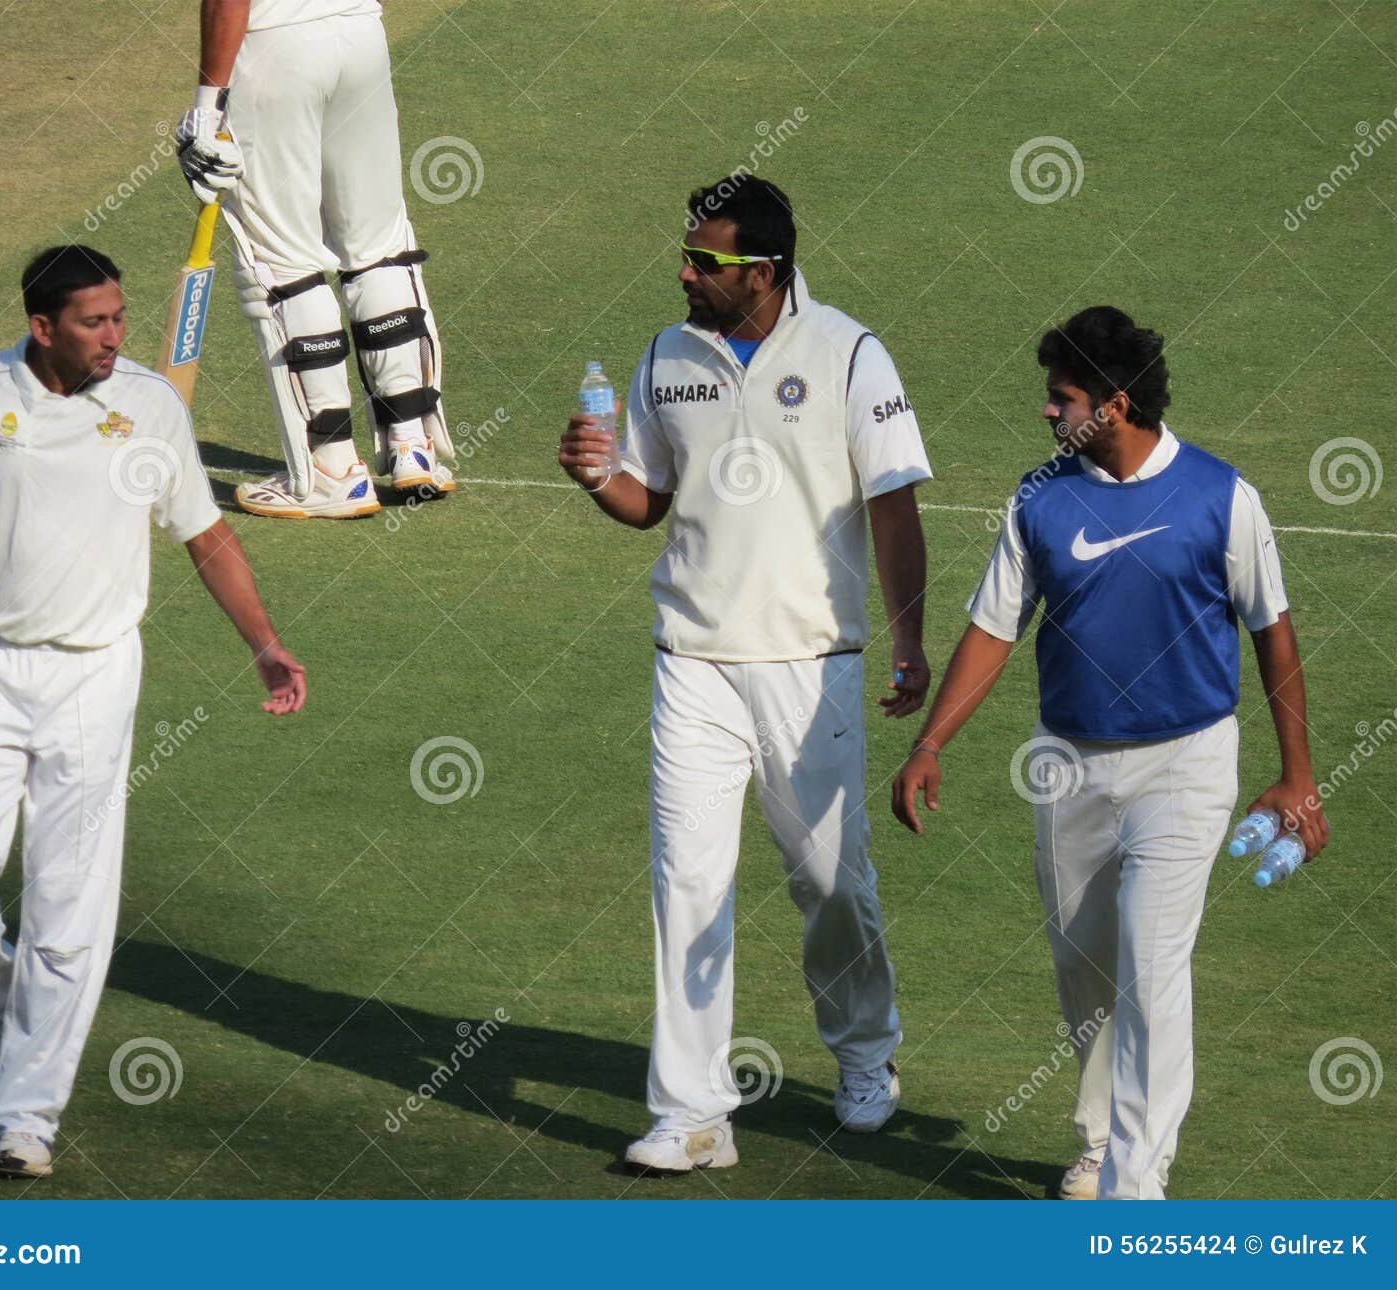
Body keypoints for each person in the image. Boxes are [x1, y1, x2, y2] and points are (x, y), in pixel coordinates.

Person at [0, 245, 307, 1179]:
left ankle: (26, 1115)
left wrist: (264, 643)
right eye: (94, 322)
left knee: (66, 907)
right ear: (42, 328)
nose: (114, 335)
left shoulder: (151, 405)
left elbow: (206, 534)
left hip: (96, 679)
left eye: (119, 317)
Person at [891, 305, 1328, 1200]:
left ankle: (1137, 1182)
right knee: (1084, 961)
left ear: (1115, 405)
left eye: (1062, 398)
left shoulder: (1221, 496)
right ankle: (1099, 1141)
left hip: (1187, 763)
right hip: (1068, 766)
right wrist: (930, 741)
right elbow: (993, 630)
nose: (1048, 411)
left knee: (1151, 964)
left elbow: (1273, 634)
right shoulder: (1039, 499)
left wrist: (1298, 777)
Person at [558, 176, 933, 1173]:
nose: (685, 273)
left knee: (830, 882)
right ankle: (692, 1114)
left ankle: (865, 1053)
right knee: (687, 882)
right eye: (686, 255)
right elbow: (649, 500)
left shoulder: (850, 353)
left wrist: (908, 638)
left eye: (705, 262)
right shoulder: (665, 355)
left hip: (813, 664)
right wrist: (597, 476)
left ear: (762, 273)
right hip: (692, 663)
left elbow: (894, 505)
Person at [175, 0, 455, 519]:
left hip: (277, 48)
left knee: (284, 264)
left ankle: (333, 471)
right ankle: (411, 444)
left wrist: (207, 109)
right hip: (361, 37)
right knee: (378, 249)